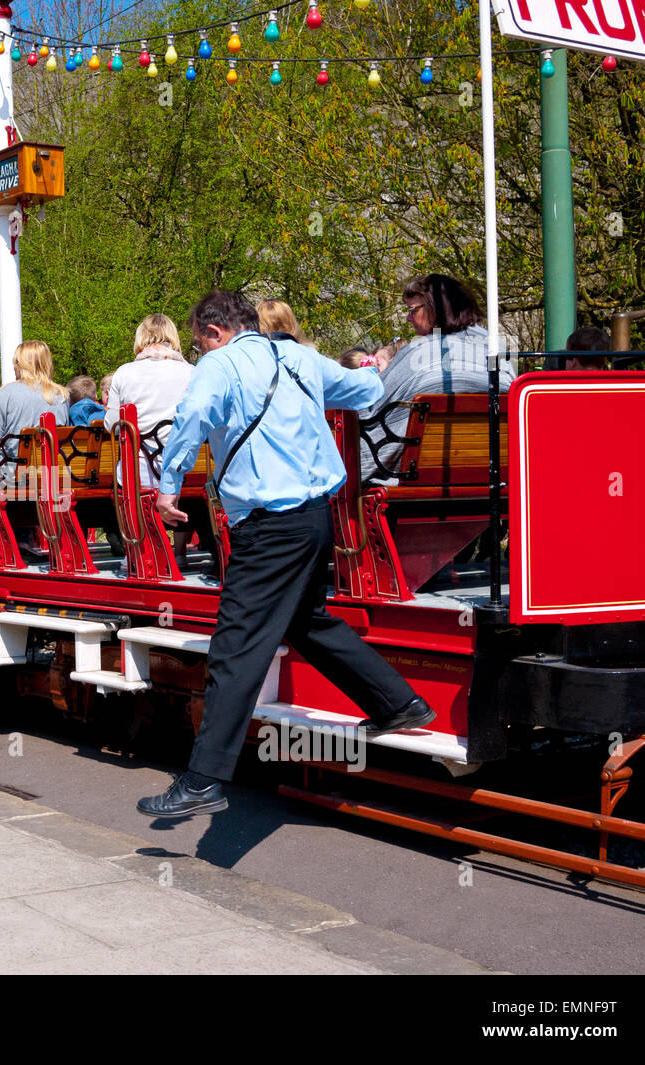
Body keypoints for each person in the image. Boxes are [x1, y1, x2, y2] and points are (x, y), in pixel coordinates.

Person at [137, 290, 433, 818]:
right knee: (306, 622)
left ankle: (204, 778)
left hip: (268, 527)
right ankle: (398, 703)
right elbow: (361, 389)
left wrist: (168, 485)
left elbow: (193, 417)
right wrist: (380, 365)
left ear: (210, 332)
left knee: (235, 649)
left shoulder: (218, 364)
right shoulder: (296, 355)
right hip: (316, 518)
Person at [361, 274, 515, 481]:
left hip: (413, 478)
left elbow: (373, 405)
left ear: (436, 308)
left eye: (412, 310)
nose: (408, 318)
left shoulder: (420, 351)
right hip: (491, 475)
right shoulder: (496, 348)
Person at [104, 313, 194, 490]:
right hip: (184, 471)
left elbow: (111, 425)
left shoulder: (124, 373)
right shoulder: (191, 372)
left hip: (136, 473)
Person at [0, 341, 69, 480]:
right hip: (52, 474)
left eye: (17, 362)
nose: (14, 367)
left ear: (23, 365)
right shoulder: (62, 395)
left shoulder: (5, 393)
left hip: (15, 475)